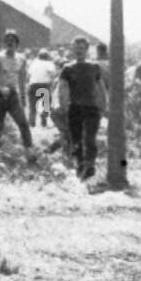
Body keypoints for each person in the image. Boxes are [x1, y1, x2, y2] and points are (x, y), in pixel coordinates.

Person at [54, 35, 107, 180]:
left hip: (92, 107)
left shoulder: (94, 67)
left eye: (82, 48)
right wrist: (61, 104)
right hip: (75, 107)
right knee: (76, 139)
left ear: (87, 50)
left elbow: (100, 86)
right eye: (76, 48)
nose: (79, 51)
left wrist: (104, 104)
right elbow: (61, 87)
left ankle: (90, 165)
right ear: (72, 49)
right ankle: (80, 165)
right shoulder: (67, 68)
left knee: (90, 138)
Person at [0, 30, 34, 158]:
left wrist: (23, 97)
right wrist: (0, 88)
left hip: (13, 96)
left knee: (23, 122)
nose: (9, 43)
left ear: (17, 44)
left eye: (12, 41)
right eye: (7, 41)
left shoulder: (21, 58)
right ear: (4, 43)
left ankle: (29, 151)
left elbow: (22, 79)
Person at [26, 48, 58, 127]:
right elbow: (53, 74)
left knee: (32, 106)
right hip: (44, 86)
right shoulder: (49, 63)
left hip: (33, 85)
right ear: (47, 56)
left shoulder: (34, 63)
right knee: (46, 105)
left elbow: (28, 75)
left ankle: (31, 123)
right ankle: (43, 120)